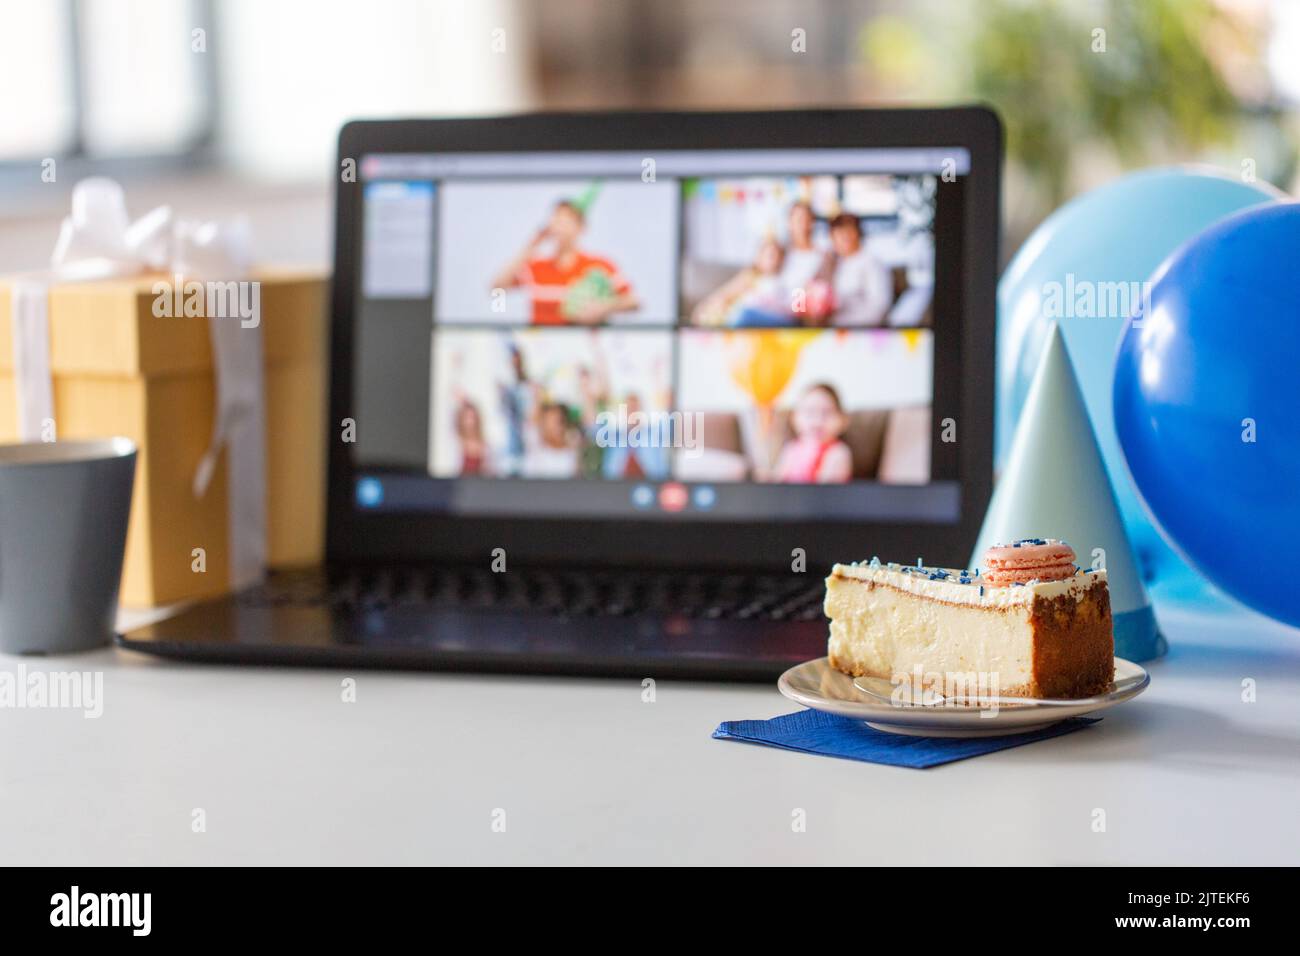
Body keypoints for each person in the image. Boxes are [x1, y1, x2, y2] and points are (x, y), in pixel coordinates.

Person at [491, 200, 640, 325]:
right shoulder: (536, 266)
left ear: (581, 228)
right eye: (556, 220)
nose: (560, 226)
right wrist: (530, 246)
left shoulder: (600, 265)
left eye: (566, 221)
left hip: (584, 348)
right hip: (539, 347)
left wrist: (604, 307)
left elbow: (634, 302)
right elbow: (497, 288)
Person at [692, 236, 791, 327]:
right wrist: (704, 308)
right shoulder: (751, 276)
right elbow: (725, 294)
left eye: (779, 256)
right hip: (739, 315)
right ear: (759, 258)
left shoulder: (783, 280)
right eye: (770, 256)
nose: (775, 261)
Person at [773, 383, 854, 484]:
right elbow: (776, 483)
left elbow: (825, 491)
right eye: (809, 412)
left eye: (827, 413)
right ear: (794, 418)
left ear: (843, 421)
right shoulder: (790, 449)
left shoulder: (838, 452)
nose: (817, 421)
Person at [827, 213, 892, 326]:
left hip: (860, 333)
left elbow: (880, 307)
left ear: (857, 233)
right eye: (837, 235)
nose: (842, 239)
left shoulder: (871, 263)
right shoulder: (837, 264)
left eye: (847, 233)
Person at [522, 401, 581, 478]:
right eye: (551, 420)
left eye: (560, 420)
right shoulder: (534, 446)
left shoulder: (573, 451)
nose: (557, 425)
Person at [452, 397, 491, 476]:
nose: (470, 422)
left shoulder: (484, 444)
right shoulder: (456, 442)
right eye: (467, 418)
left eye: (473, 417)